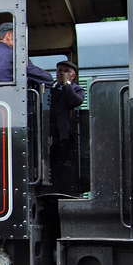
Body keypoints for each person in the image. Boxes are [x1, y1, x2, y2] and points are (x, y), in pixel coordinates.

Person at [0, 22, 53, 87]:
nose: (21, 40)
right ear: (8, 35)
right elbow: (44, 78)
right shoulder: (15, 55)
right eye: (20, 36)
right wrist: (49, 78)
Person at [49, 60, 85, 193]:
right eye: (59, 70)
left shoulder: (77, 89)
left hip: (63, 135)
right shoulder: (49, 88)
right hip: (47, 132)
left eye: (65, 71)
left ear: (73, 75)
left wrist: (66, 84)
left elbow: (75, 101)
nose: (61, 73)